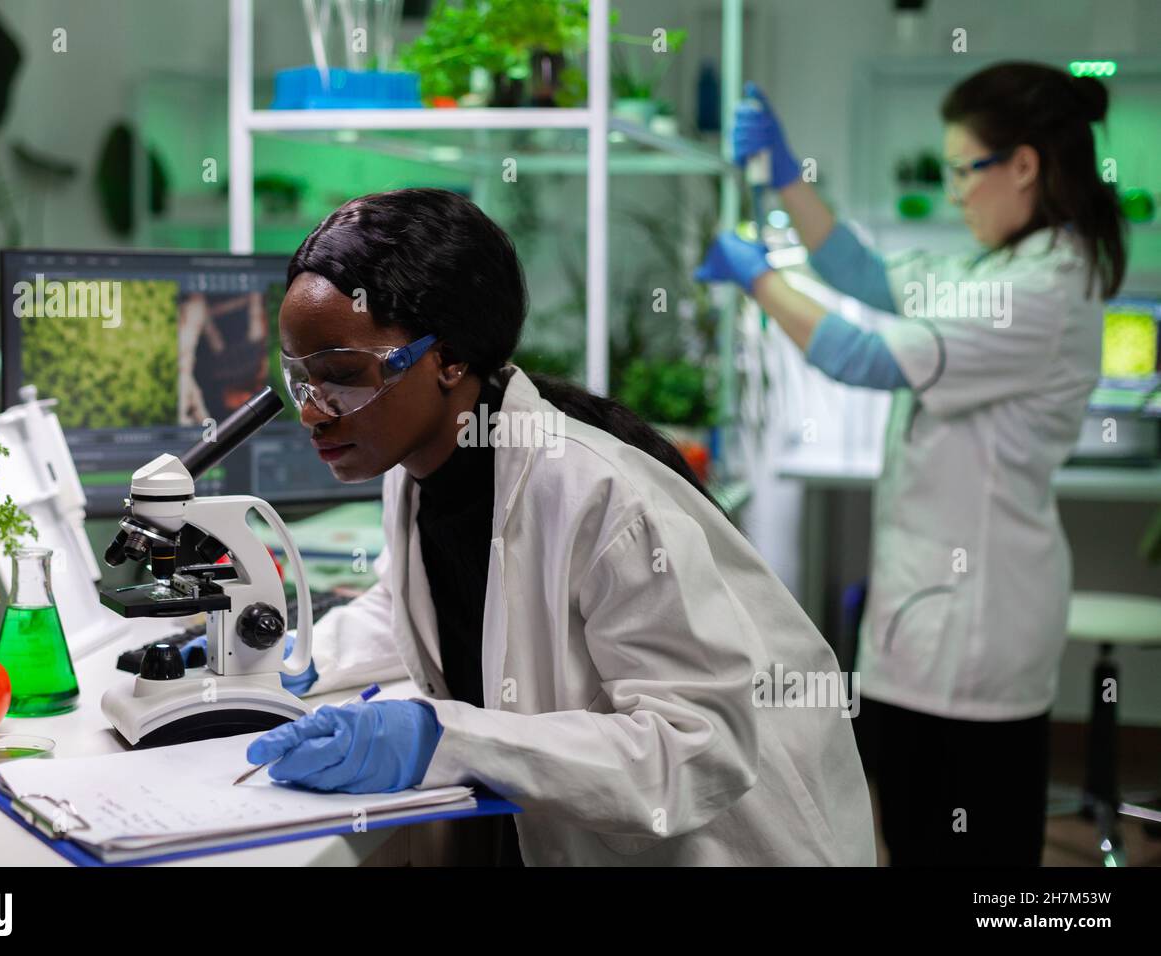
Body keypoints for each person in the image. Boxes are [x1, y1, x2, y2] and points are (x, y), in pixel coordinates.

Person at [241, 187, 876, 866]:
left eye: (341, 376)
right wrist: (280, 657)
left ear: (448, 358)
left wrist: (444, 738)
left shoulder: (599, 496)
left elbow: (698, 748)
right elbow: (417, 604)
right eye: (298, 380)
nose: (312, 413)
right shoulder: (418, 467)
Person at [696, 64, 1125, 866]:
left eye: (965, 168)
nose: (956, 191)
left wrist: (758, 277)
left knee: (968, 853)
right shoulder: (992, 268)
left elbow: (862, 355)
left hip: (975, 633)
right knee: (918, 837)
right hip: (925, 623)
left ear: (1024, 165)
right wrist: (790, 179)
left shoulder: (1040, 289)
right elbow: (865, 276)